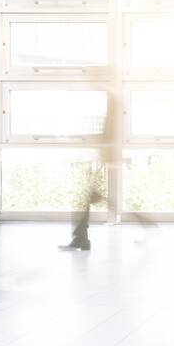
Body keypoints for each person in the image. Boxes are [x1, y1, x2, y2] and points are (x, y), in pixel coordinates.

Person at [60, 92, 119, 252]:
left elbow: (110, 133)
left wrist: (104, 155)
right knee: (86, 201)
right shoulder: (109, 99)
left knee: (87, 201)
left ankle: (81, 239)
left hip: (105, 159)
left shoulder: (113, 99)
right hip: (103, 158)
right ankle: (81, 239)